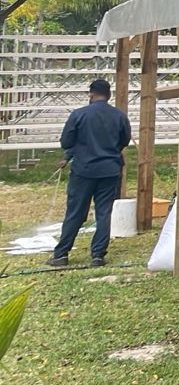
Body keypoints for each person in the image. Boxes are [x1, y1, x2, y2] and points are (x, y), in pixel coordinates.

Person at [49, 78, 131, 267]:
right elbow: (124, 140)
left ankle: (61, 254)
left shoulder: (79, 114)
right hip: (110, 170)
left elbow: (66, 142)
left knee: (75, 212)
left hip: (84, 171)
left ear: (91, 94)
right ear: (108, 95)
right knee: (103, 213)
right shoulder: (119, 116)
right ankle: (98, 255)